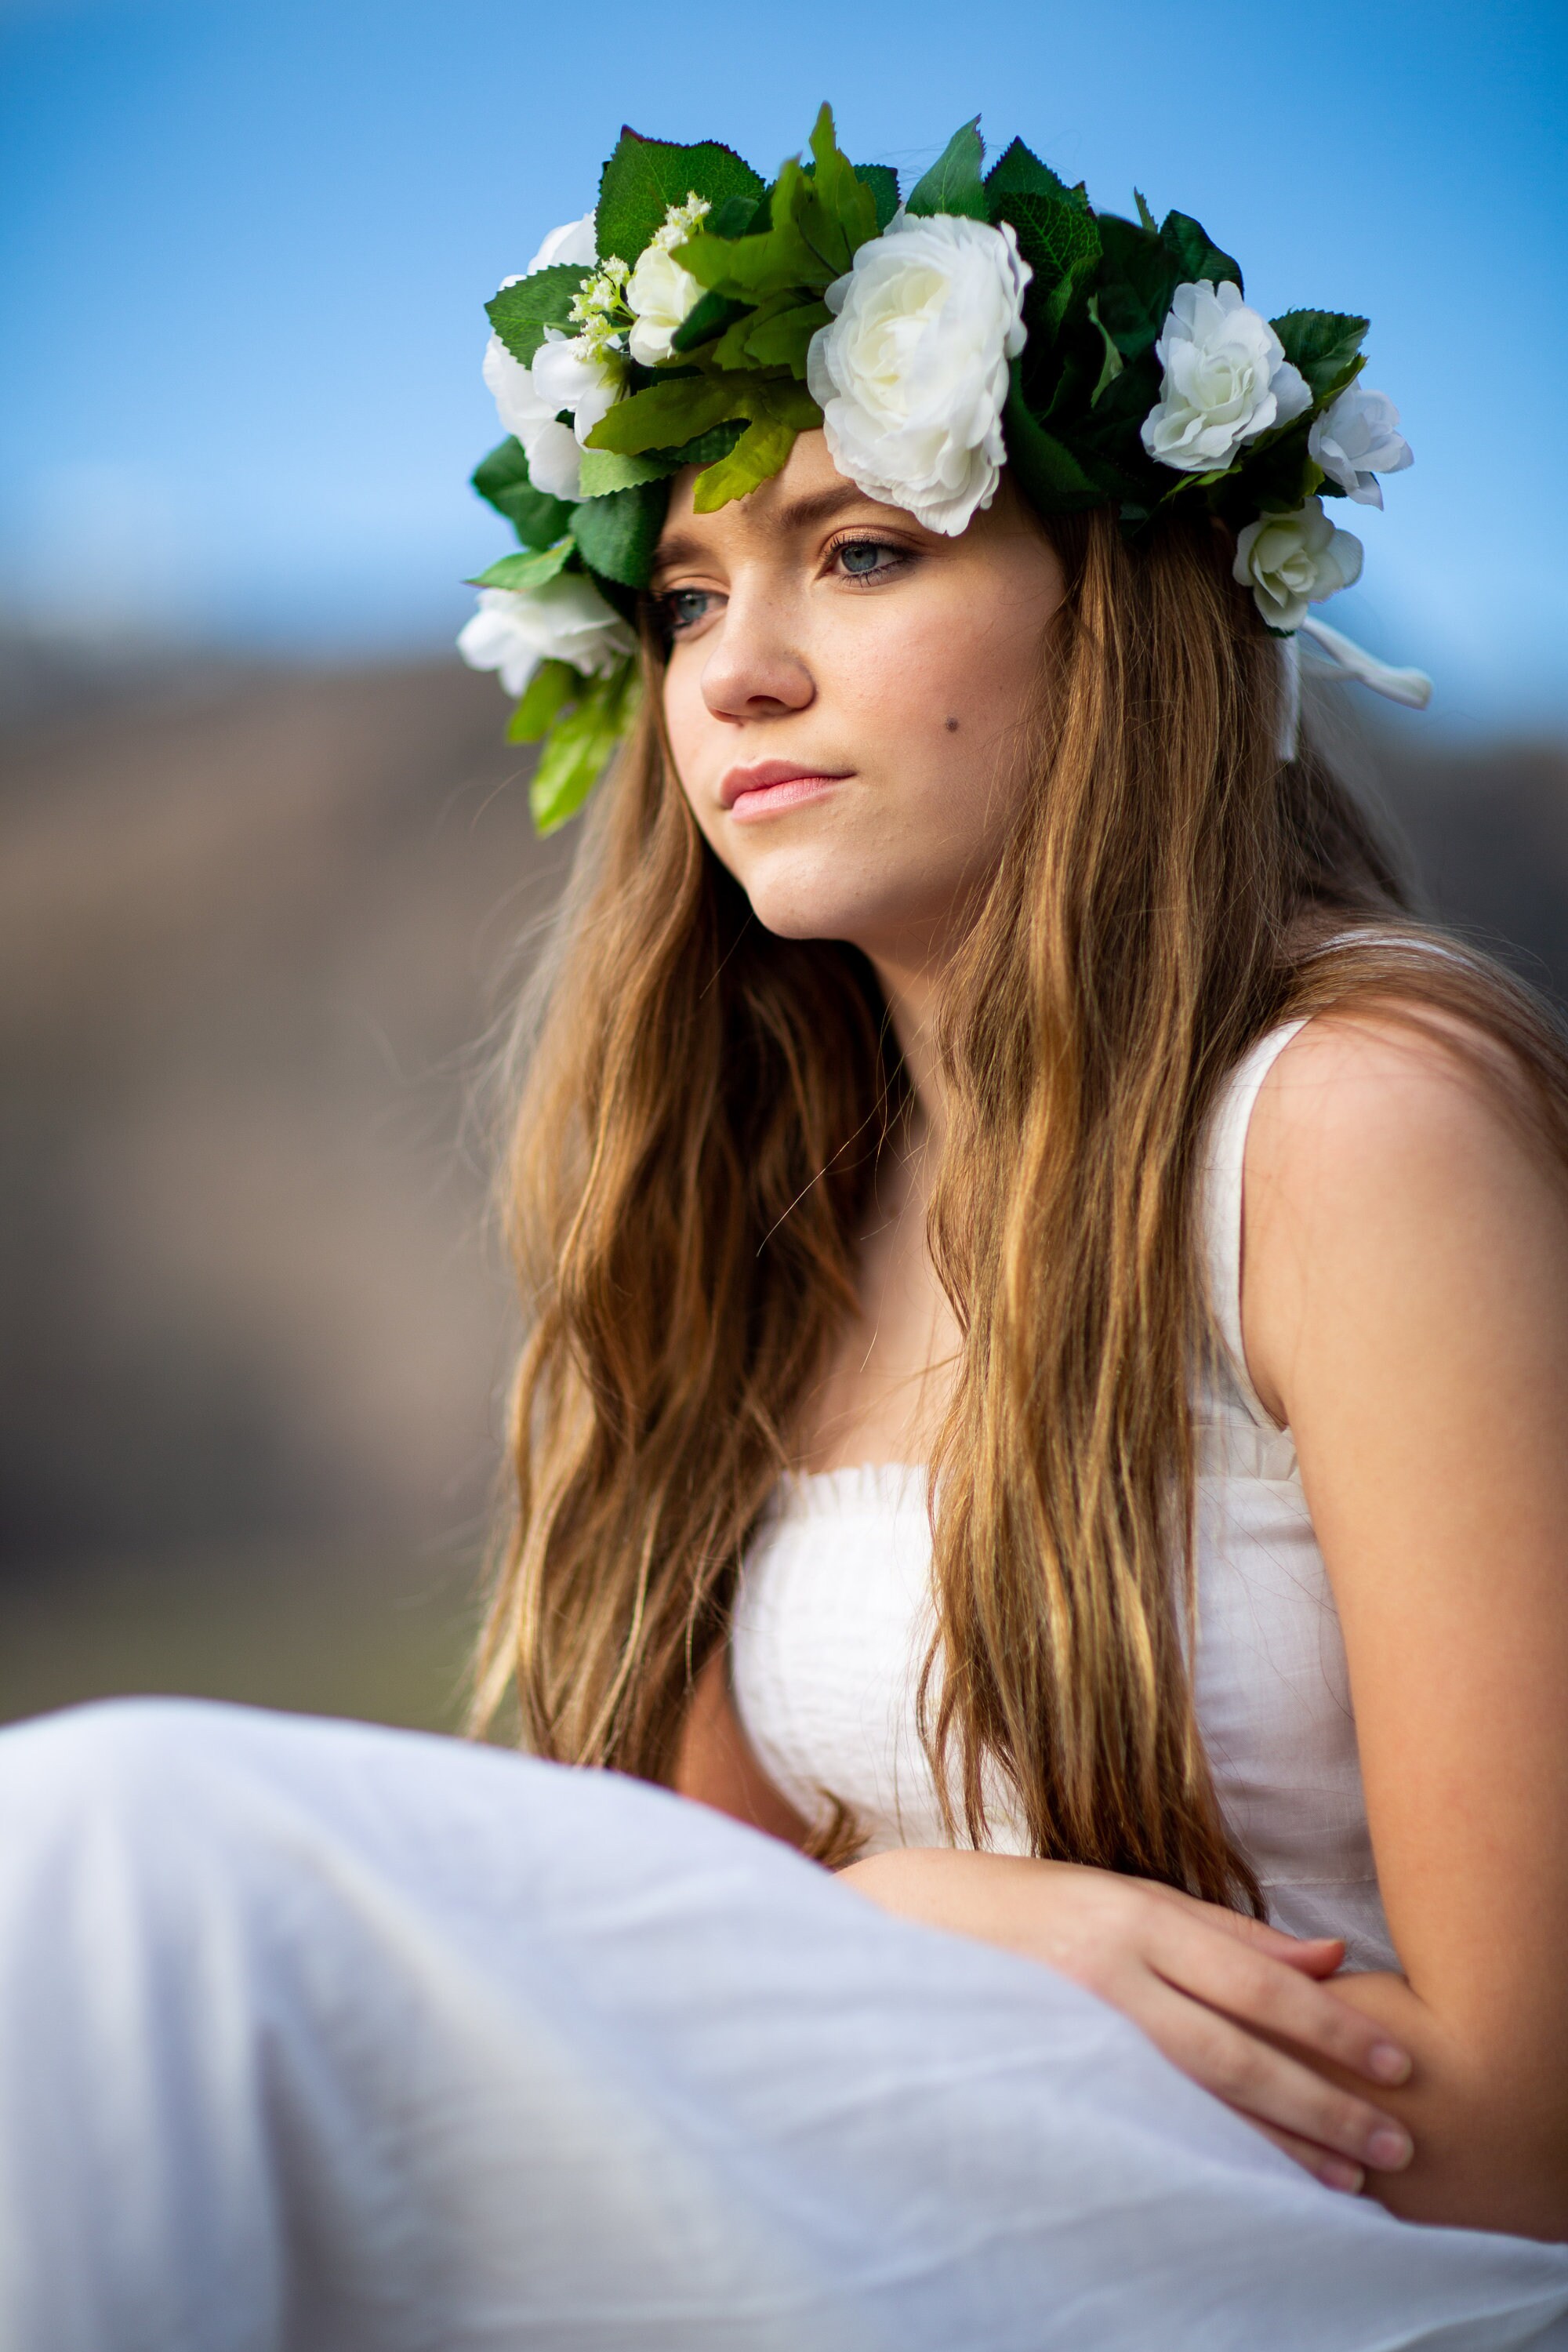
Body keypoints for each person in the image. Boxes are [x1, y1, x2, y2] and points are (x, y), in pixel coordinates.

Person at [3, 108, 1567, 2352]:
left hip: (1322, 2266)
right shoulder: (752, 1222)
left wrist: (903, 1953)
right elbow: (643, 1964)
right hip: (873, 2241)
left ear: (1124, 604)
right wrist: (930, 1923)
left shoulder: (1354, 1127)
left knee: (118, 1859)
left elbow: (1534, 2134)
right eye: (682, 596)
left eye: (853, 553)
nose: (734, 672)